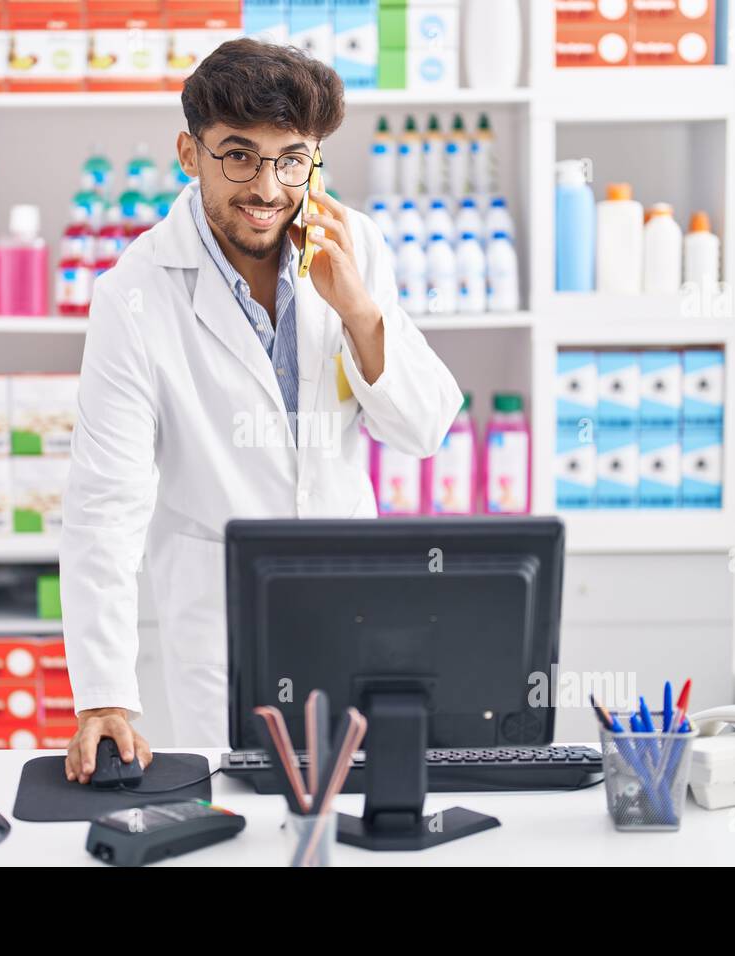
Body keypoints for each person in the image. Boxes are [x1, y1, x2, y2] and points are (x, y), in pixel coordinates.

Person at [61, 38, 462, 783]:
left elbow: (425, 427)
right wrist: (103, 696)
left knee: (355, 804)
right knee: (240, 808)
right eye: (239, 156)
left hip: (353, 603)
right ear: (190, 152)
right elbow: (103, 506)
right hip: (220, 618)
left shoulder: (354, 246)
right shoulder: (135, 293)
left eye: (293, 158)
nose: (269, 187)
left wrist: (359, 312)